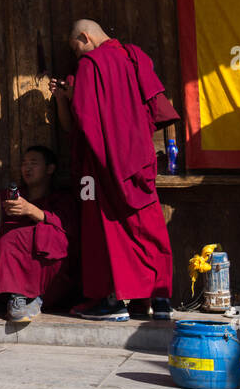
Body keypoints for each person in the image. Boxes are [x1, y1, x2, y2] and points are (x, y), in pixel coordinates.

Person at [53, 20, 175, 320]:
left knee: (105, 234)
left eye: (76, 47)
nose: (77, 54)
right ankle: (160, 300)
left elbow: (81, 123)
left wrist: (67, 98)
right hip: (139, 162)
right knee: (149, 228)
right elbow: (159, 107)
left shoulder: (89, 66)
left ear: (85, 37)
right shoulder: (135, 57)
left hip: (101, 166)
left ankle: (111, 301)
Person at [0, 145, 77, 322]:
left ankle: (36, 298)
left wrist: (31, 210)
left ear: (50, 168)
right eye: (24, 163)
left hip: (51, 284)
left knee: (53, 235)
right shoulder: (5, 198)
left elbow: (69, 230)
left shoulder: (63, 200)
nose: (27, 168)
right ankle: (18, 297)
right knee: (9, 238)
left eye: (34, 163)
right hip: (11, 283)